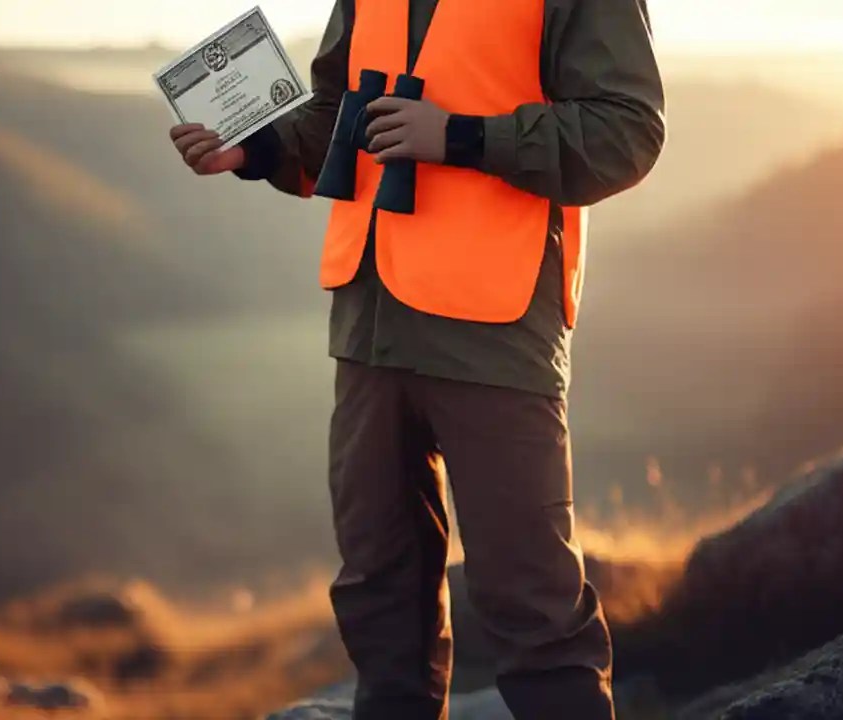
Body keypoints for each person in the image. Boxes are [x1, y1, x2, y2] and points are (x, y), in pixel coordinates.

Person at [169, 0, 664, 717]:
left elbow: (627, 129)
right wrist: (253, 150)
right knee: (381, 604)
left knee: (532, 609)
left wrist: (463, 138)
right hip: (369, 328)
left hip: (494, 329)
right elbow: (339, 113)